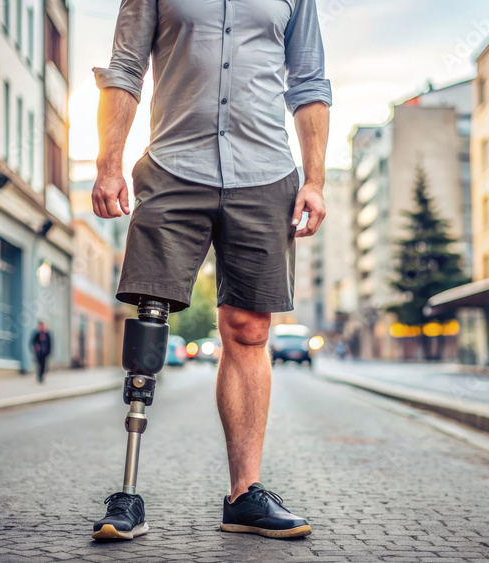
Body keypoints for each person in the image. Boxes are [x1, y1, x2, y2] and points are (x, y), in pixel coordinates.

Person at [89, 0, 331, 541]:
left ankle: (245, 497)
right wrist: (108, 164)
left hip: (265, 172)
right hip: (175, 163)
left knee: (249, 330)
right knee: (149, 320)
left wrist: (314, 179)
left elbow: (310, 81)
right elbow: (126, 66)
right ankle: (127, 496)